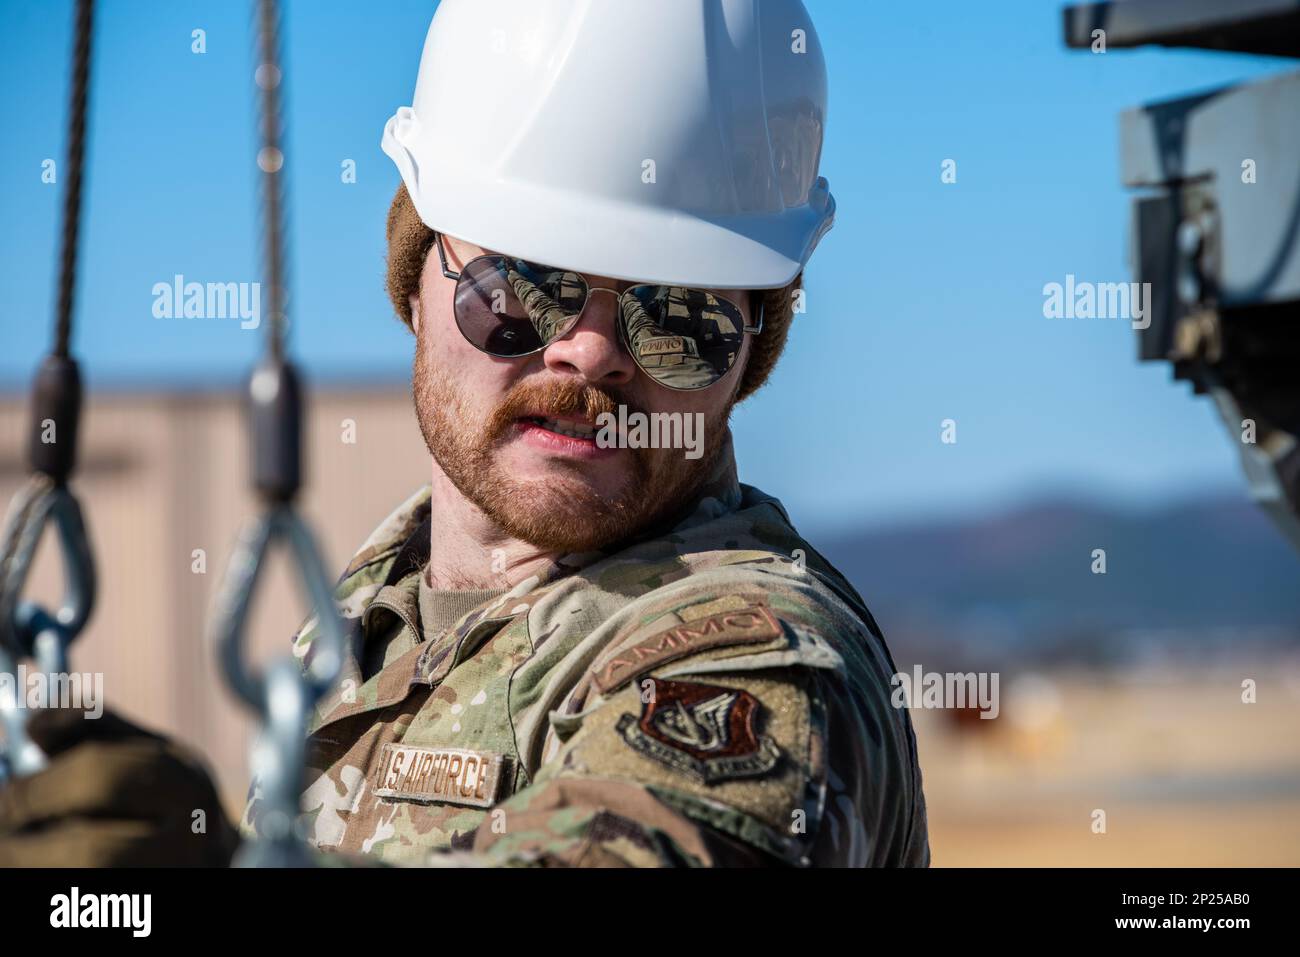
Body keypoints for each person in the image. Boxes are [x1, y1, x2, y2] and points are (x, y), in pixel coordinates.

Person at [0, 0, 928, 868]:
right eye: (524, 289)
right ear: (417, 283)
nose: (593, 352)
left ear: (748, 356)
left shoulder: (765, 663)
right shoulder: (373, 615)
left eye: (679, 319)